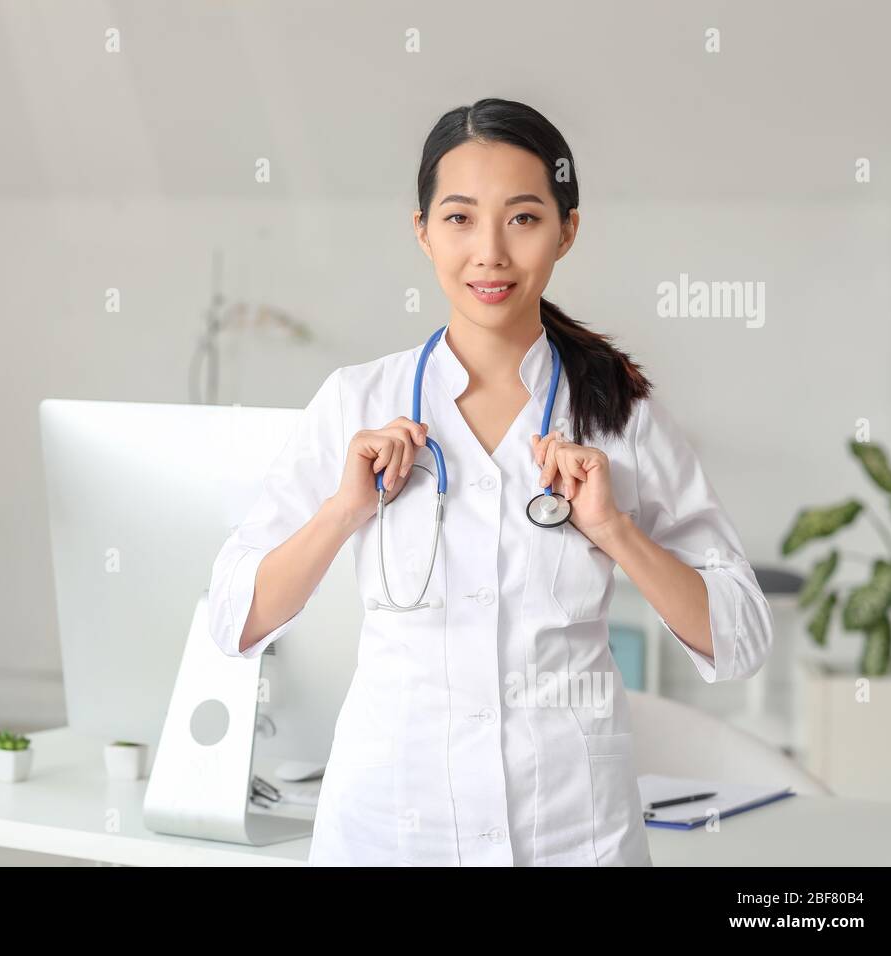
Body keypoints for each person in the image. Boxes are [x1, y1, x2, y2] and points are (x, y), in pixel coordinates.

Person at [207, 97, 773, 866]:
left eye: (524, 218)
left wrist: (616, 532)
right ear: (422, 230)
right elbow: (233, 622)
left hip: (572, 834)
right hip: (390, 829)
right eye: (461, 218)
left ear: (567, 230)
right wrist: (344, 510)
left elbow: (739, 638)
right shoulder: (356, 402)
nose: (490, 253)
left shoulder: (621, 416)